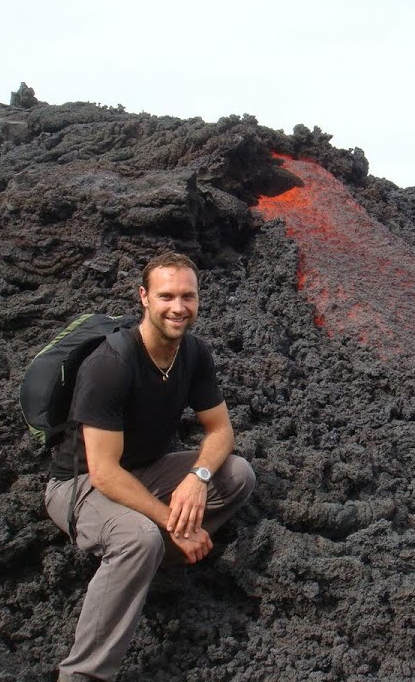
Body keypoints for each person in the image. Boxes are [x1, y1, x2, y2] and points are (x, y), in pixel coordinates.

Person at [43, 251, 256, 682]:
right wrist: (172, 521)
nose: (179, 307)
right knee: (141, 538)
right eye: (166, 296)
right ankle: (82, 675)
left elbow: (220, 432)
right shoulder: (112, 364)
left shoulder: (193, 353)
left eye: (188, 297)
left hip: (143, 470)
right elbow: (103, 472)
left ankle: (163, 561)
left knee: (236, 474)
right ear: (144, 298)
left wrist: (197, 479)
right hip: (79, 485)